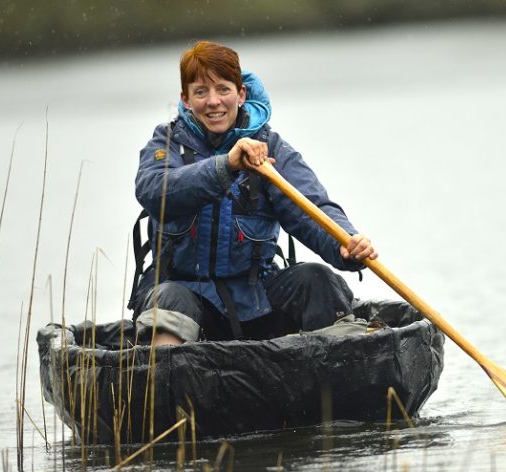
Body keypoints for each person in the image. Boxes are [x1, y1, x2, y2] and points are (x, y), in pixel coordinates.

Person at [129, 41, 377, 345]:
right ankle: (169, 384)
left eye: (223, 89)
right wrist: (227, 166)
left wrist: (344, 242)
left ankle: (337, 381)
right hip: (182, 294)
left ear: (241, 94)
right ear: (186, 99)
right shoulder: (166, 143)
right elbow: (155, 192)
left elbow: (310, 206)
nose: (213, 102)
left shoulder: (271, 149)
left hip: (256, 298)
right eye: (200, 92)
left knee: (316, 278)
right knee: (169, 300)